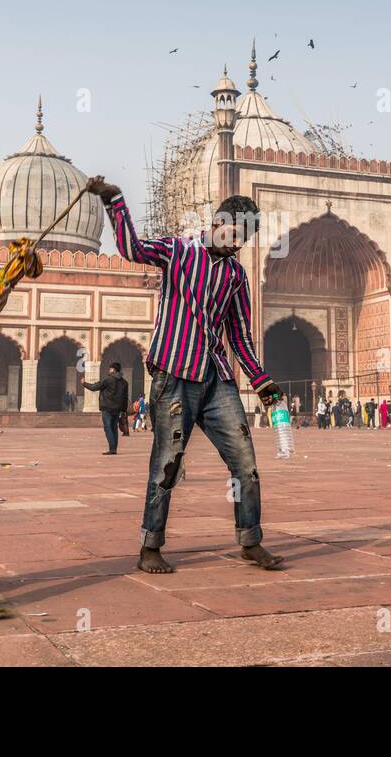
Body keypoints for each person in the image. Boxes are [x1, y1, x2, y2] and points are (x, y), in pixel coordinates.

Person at [88, 175, 284, 574]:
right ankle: (150, 545)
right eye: (233, 232)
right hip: (174, 376)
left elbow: (240, 334)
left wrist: (261, 381)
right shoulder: (178, 251)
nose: (235, 243)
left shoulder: (234, 276)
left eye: (243, 238)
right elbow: (132, 249)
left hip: (216, 380)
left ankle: (250, 540)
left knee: (245, 462)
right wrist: (115, 201)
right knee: (167, 464)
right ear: (217, 221)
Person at [84, 361, 130, 455]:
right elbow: (125, 398)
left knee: (108, 427)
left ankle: (112, 448)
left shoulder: (108, 380)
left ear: (112, 369)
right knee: (114, 427)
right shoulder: (124, 382)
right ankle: (114, 448)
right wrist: (124, 411)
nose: (109, 370)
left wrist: (84, 383)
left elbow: (94, 387)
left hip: (107, 408)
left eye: (110, 369)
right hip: (117, 409)